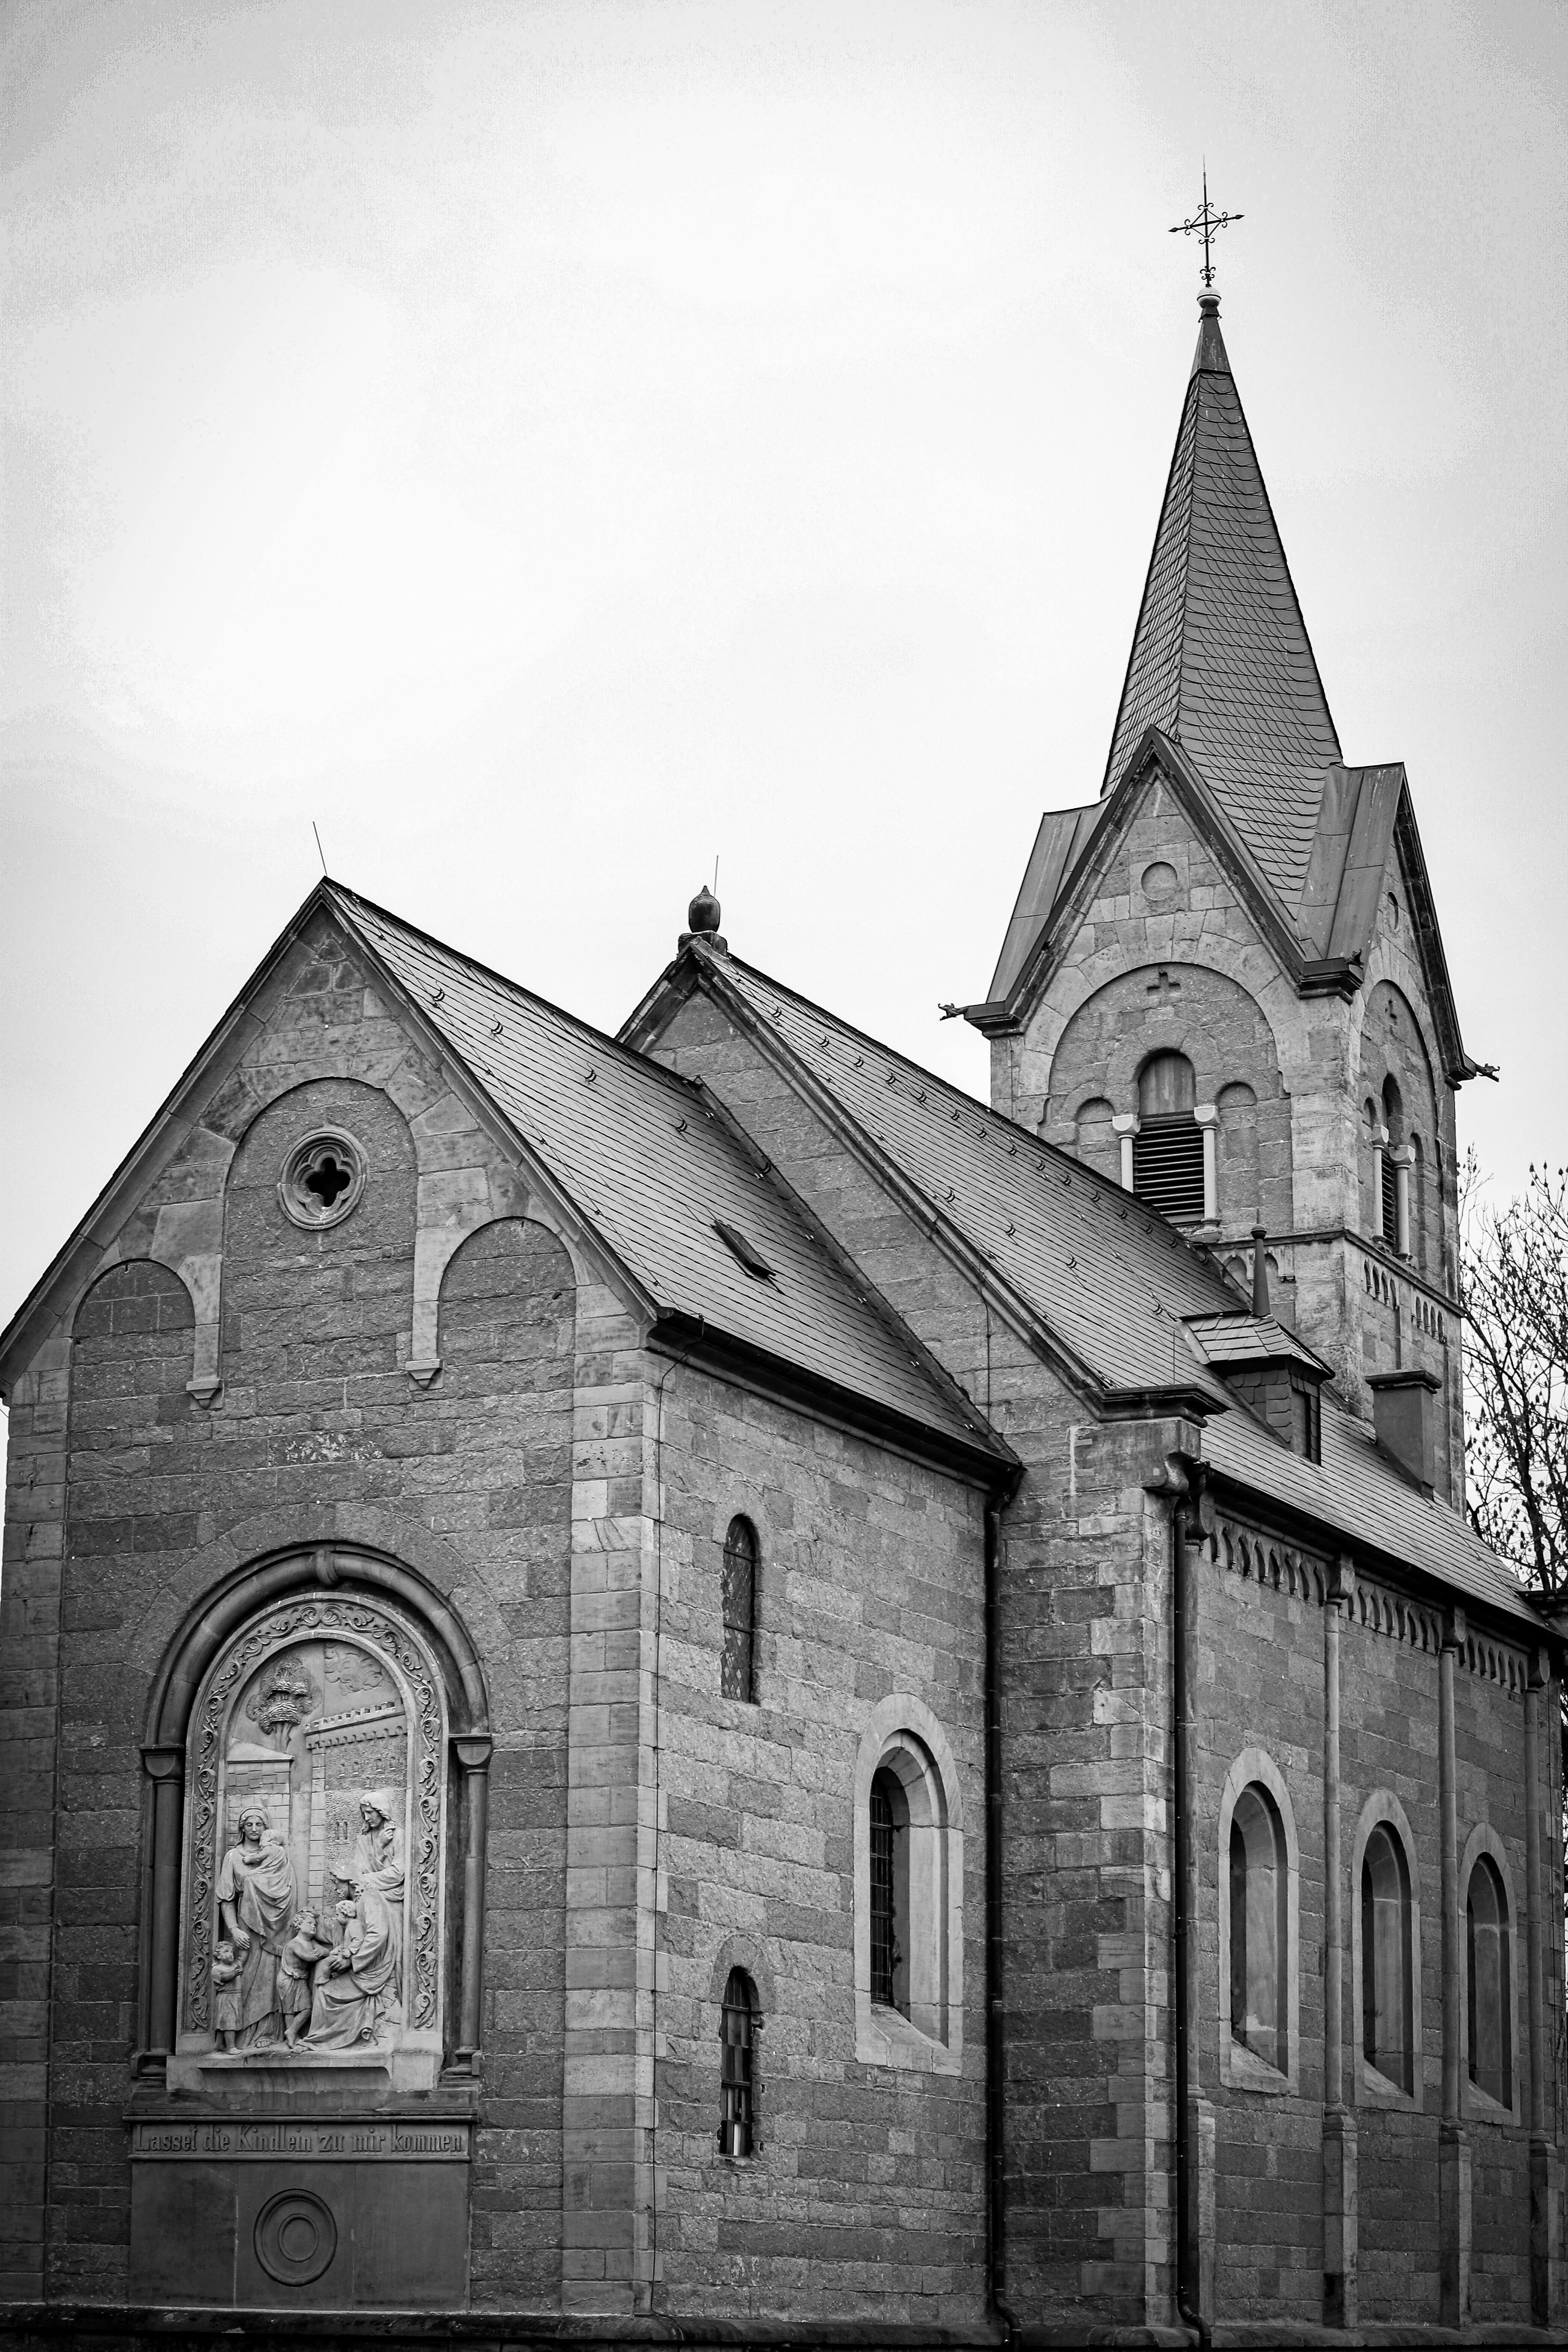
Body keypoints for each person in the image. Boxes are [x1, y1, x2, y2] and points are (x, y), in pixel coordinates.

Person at [214, 1805, 296, 2049]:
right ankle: (238, 2035)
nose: (254, 1829)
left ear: (266, 1828)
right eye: (249, 1825)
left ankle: (269, 2033)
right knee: (244, 1976)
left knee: (272, 1977)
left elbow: (289, 1890)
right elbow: (226, 1898)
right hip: (247, 1927)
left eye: (259, 1825)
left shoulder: (278, 1854)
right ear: (242, 1827)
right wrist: (234, 1929)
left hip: (276, 1926)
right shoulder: (234, 1857)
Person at [304, 1871, 400, 2050]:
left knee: (325, 1990)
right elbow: (339, 1931)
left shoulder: (369, 1898)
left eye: (338, 1883)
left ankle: (321, 2041)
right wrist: (315, 1920)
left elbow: (378, 1934)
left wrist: (352, 1961)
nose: (336, 1888)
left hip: (371, 1969)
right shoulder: (356, 1905)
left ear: (350, 1882)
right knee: (321, 1971)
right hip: (362, 1964)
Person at [346, 1792, 404, 2005]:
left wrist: (367, 1879)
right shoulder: (364, 1839)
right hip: (367, 1904)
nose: (367, 1818)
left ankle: (397, 2004)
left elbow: (399, 1872)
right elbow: (355, 1874)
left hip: (392, 1903)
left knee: (396, 1955)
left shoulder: (398, 1835)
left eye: (370, 1813)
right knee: (367, 1943)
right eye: (364, 1814)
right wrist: (379, 1850)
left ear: (382, 1811)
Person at [277, 1910, 335, 2048]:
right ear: (299, 1925)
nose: (314, 1926)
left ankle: (291, 2031)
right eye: (309, 1924)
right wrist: (321, 1954)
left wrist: (323, 1951)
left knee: (307, 2009)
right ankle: (292, 2038)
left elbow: (327, 1952)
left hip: (302, 1979)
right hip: (288, 1980)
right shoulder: (294, 1944)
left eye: (315, 1924)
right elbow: (309, 1957)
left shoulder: (312, 1942)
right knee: (290, 2010)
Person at [210, 1940, 244, 2050]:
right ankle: (231, 2047)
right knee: (229, 2023)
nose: (230, 1954)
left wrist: (245, 1944)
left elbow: (244, 1957)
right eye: (226, 1952)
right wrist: (234, 1973)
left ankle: (219, 2044)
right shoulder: (217, 1969)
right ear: (218, 1955)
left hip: (236, 1997)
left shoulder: (235, 1965)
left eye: (231, 1952)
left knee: (223, 2023)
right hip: (226, 1998)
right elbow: (224, 1978)